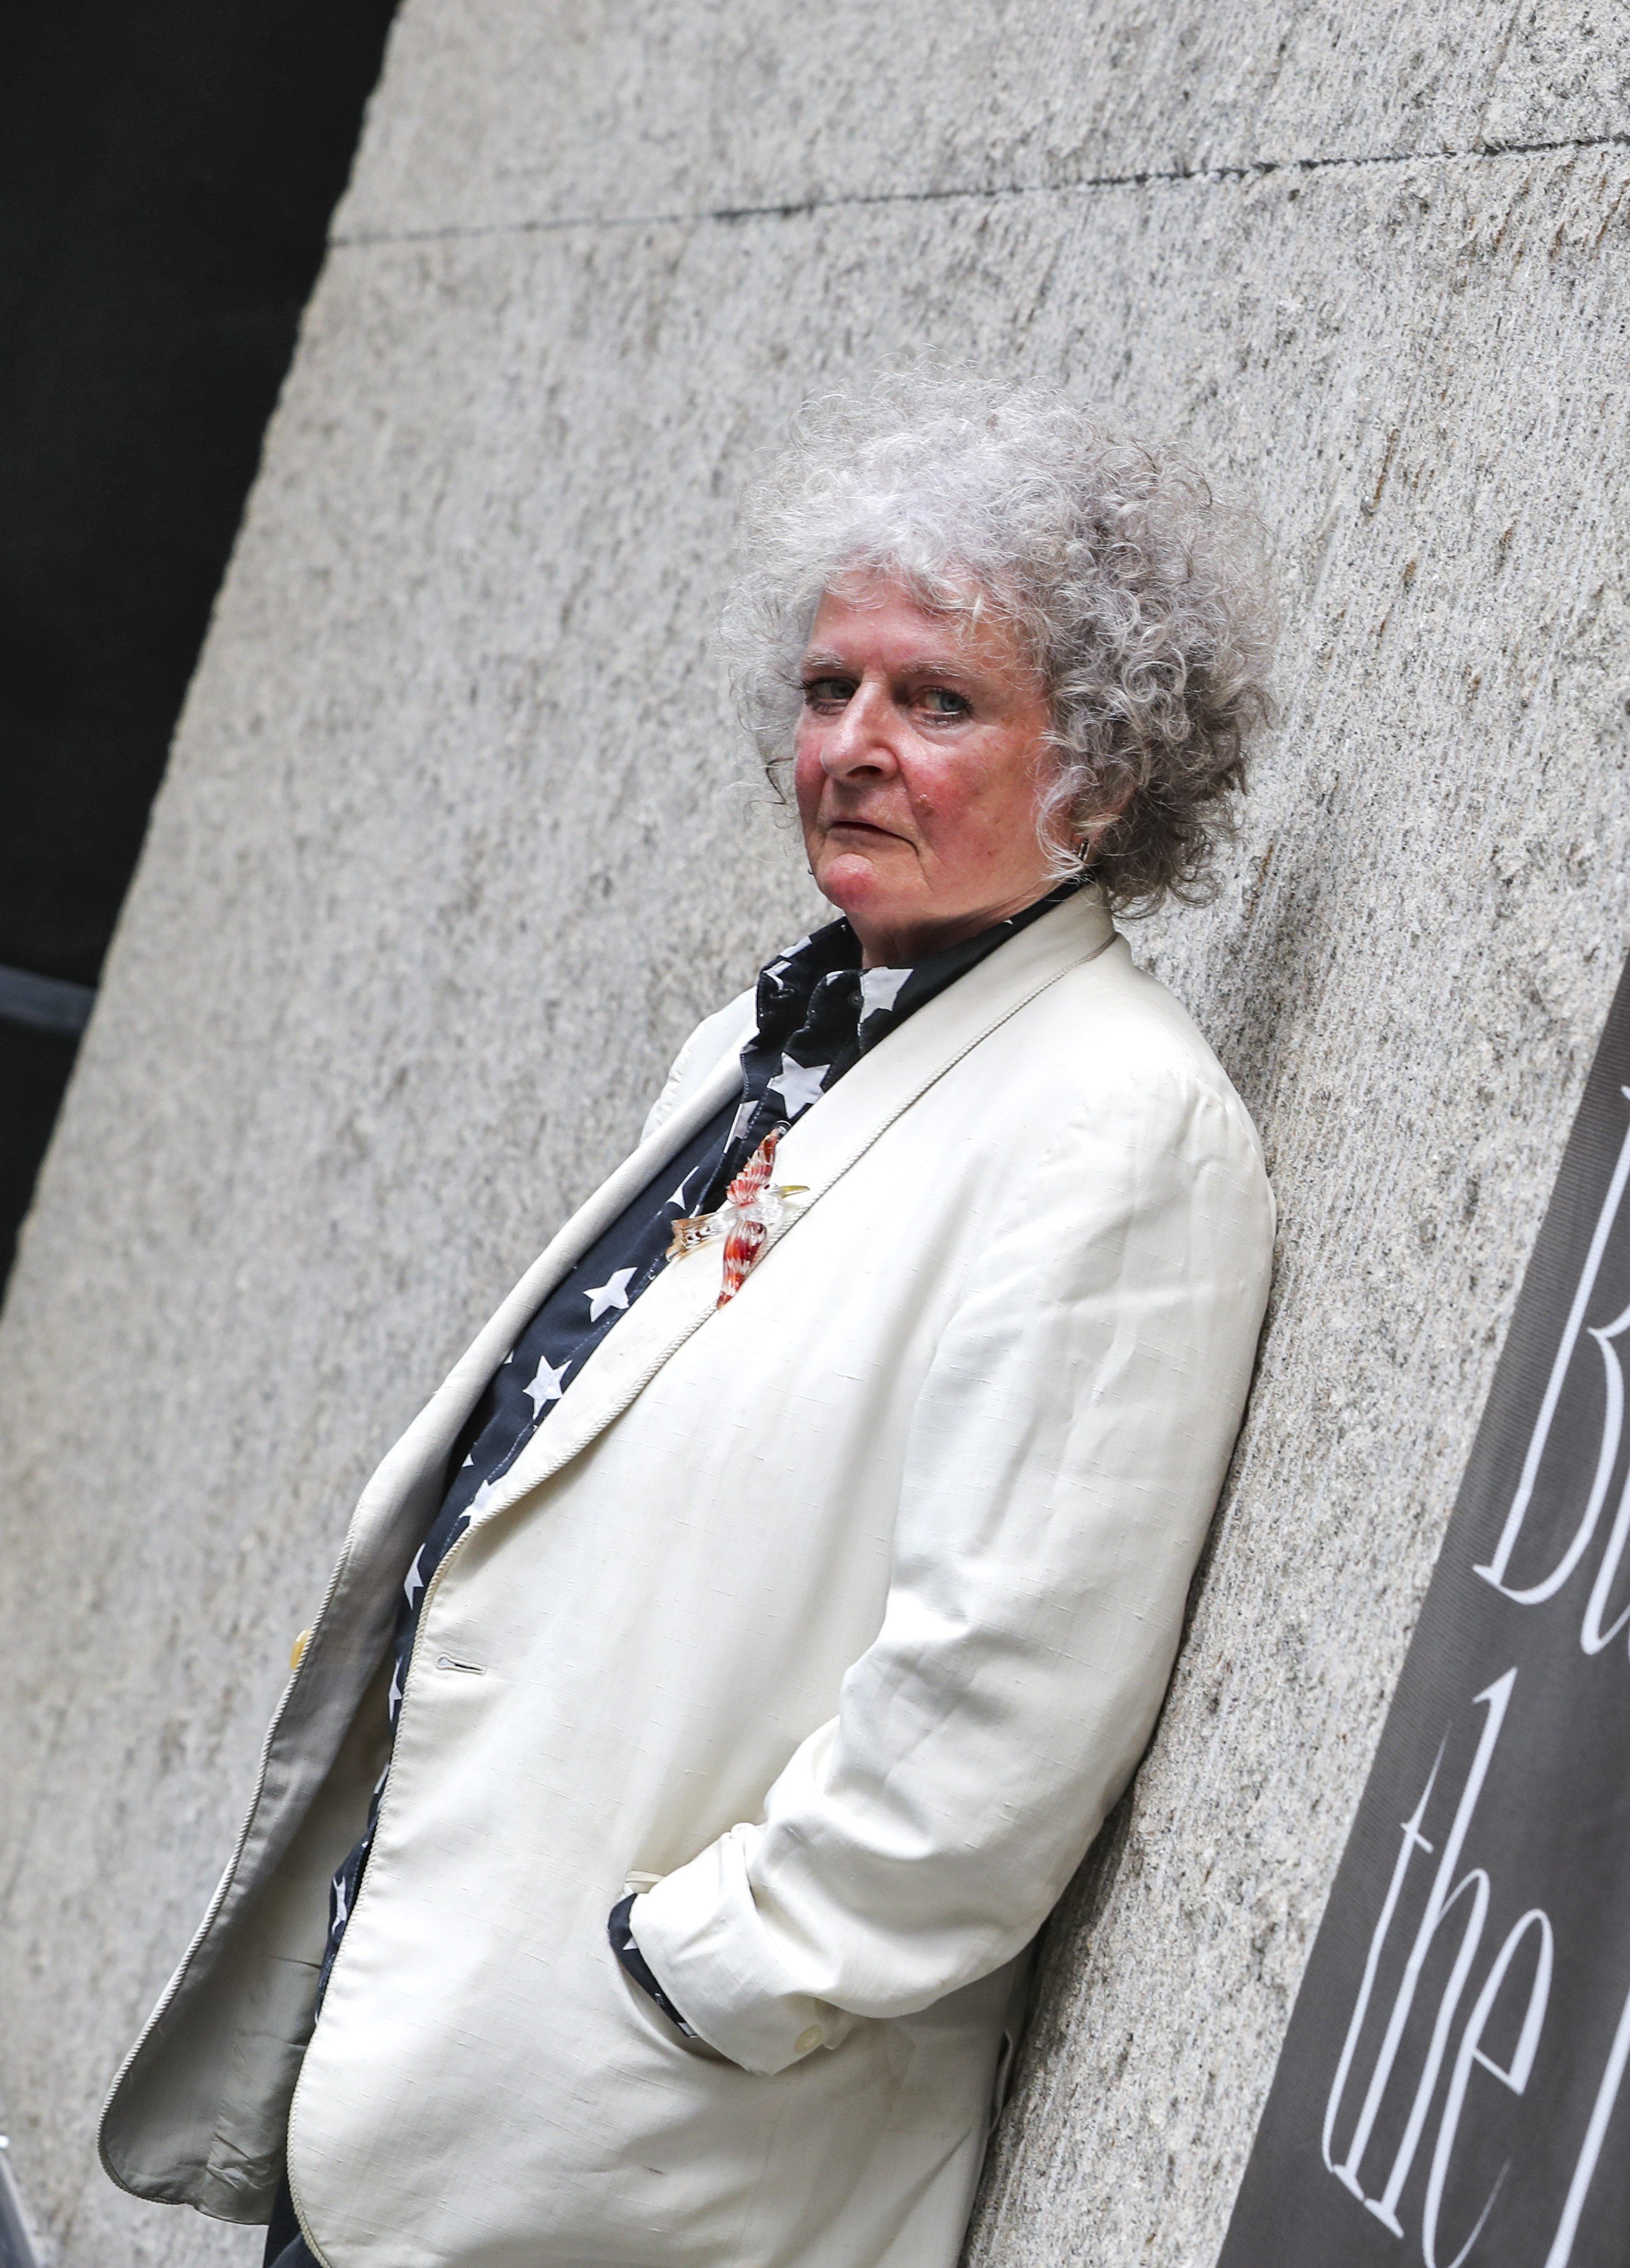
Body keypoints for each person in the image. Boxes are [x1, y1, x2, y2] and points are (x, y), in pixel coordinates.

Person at [97, 374, 1280, 2268]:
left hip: (638, 2164)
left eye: (938, 702)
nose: (856, 746)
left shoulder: (1113, 1124)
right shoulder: (771, 1039)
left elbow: (993, 1716)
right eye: (830, 688)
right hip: (430, 2094)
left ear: (1108, 770)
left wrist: (686, 1979)